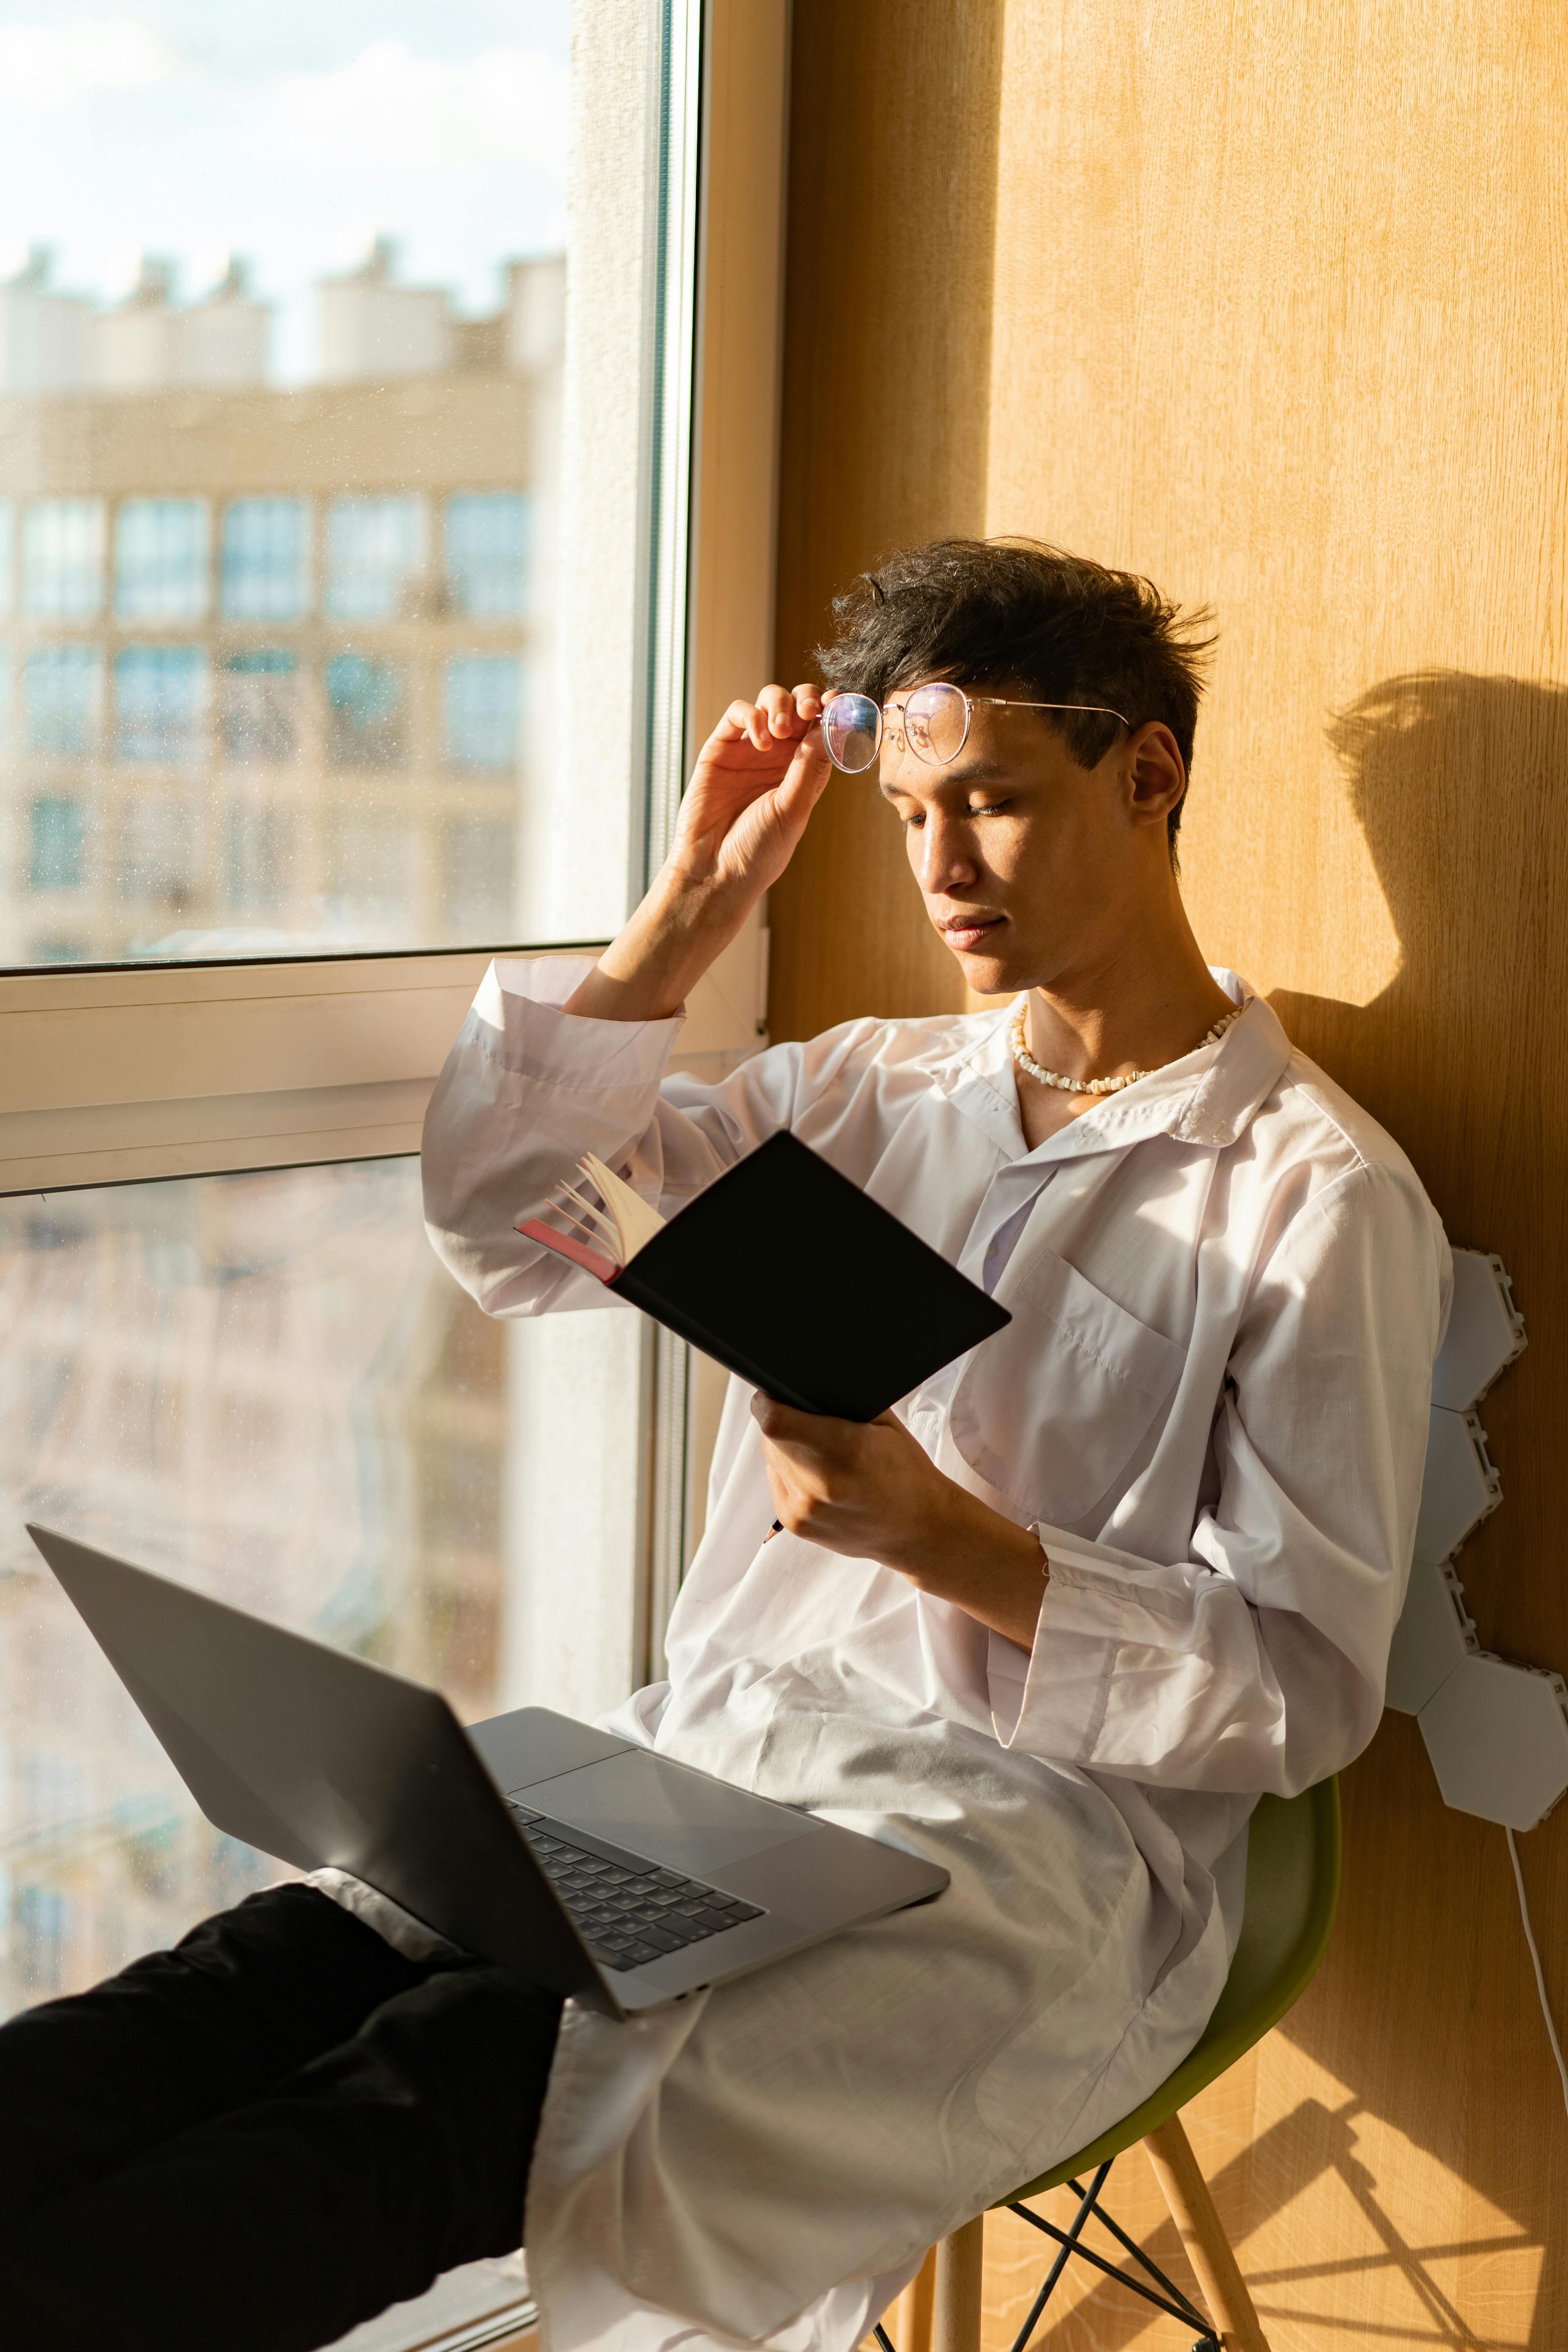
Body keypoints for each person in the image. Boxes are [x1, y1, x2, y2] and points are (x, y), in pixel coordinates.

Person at [0, 539, 1448, 2352]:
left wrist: (945, 1541)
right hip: (701, 1762)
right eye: (910, 812)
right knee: (242, 1981)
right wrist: (691, 903)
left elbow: (1304, 1692)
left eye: (991, 803)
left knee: (418, 2098)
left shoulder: (1313, 1198)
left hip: (1010, 1849)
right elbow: (516, 1226)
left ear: (1144, 775)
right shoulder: (856, 1096)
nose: (940, 867)